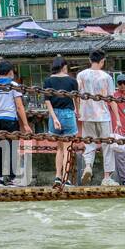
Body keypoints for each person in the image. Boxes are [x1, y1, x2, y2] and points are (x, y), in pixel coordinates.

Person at [76, 49, 121, 185]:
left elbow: (76, 95)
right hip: (103, 116)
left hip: (86, 115)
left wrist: (78, 110)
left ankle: (88, 166)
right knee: (107, 145)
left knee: (89, 143)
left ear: (90, 60)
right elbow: (111, 99)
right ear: (102, 61)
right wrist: (118, 119)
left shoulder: (81, 75)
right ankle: (107, 177)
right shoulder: (106, 77)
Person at [0, 59, 32, 186]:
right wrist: (25, 124)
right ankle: (13, 178)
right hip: (10, 120)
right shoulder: (13, 84)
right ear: (10, 72)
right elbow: (19, 106)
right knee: (13, 148)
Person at [43, 55, 79, 187]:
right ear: (64, 67)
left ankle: (57, 176)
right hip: (68, 114)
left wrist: (54, 118)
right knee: (67, 148)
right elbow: (76, 99)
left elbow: (47, 101)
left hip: (54, 115)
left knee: (59, 148)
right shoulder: (72, 81)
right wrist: (77, 111)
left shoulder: (48, 81)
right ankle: (66, 178)